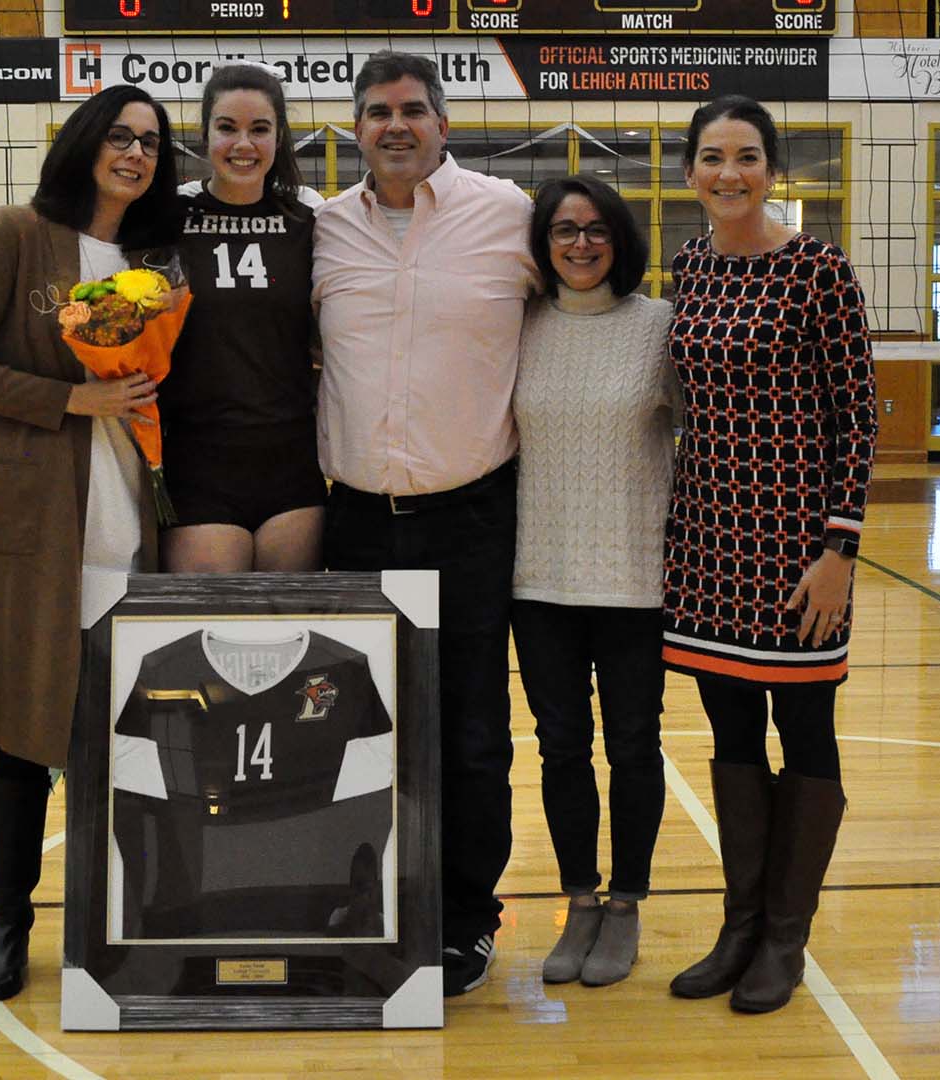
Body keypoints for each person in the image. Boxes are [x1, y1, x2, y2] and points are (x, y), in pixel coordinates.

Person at [0, 85, 179, 1001]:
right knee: (26, 739)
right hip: (34, 527)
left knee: (132, 742)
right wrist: (73, 398)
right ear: (84, 142)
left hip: (132, 525)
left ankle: (123, 918)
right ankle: (11, 925)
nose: (136, 153)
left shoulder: (158, 262)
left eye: (151, 142)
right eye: (120, 136)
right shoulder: (19, 233)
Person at [312, 50, 537, 997]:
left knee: (472, 730)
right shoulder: (322, 228)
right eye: (376, 112)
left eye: (412, 110)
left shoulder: (509, 215)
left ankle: (466, 918)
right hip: (355, 521)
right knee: (357, 729)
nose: (394, 125)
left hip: (471, 517)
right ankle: (369, 896)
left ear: (444, 124)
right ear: (355, 130)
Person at [662, 95, 878, 1016]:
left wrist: (840, 551)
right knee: (732, 733)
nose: (730, 173)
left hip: (797, 546)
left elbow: (859, 417)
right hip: (710, 541)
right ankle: (740, 928)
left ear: (771, 169)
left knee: (807, 728)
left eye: (747, 156)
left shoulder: (818, 270)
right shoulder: (689, 267)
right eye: (713, 157)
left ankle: (786, 938)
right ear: (690, 173)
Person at [511, 175, 677, 989]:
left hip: (634, 577)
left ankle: (627, 904)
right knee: (560, 748)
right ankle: (580, 899)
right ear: (543, 243)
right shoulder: (519, 325)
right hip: (539, 576)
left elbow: (706, 438)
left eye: (597, 229)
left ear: (621, 238)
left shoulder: (660, 327)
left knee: (634, 745)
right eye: (564, 230)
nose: (581, 244)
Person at [162, 64, 327, 572]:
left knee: (286, 619)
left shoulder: (310, 219)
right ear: (205, 134)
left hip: (291, 459)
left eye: (259, 129)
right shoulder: (168, 217)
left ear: (279, 137)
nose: (243, 144)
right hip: (197, 460)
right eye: (227, 127)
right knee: (213, 616)